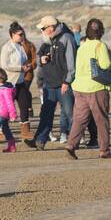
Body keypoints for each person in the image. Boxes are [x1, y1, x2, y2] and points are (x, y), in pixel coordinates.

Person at [64, 17, 111, 159]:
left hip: (80, 87)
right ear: (101, 32)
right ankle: (104, 150)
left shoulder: (82, 47)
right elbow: (105, 65)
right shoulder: (100, 46)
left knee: (79, 119)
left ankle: (71, 145)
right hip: (96, 87)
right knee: (101, 120)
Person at [30, 15, 75, 149]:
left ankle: (74, 141)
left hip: (63, 84)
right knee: (45, 114)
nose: (42, 31)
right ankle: (39, 140)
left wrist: (67, 82)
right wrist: (41, 60)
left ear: (51, 27)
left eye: (43, 28)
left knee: (70, 114)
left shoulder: (67, 38)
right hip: (48, 84)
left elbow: (71, 63)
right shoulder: (46, 40)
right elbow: (38, 57)